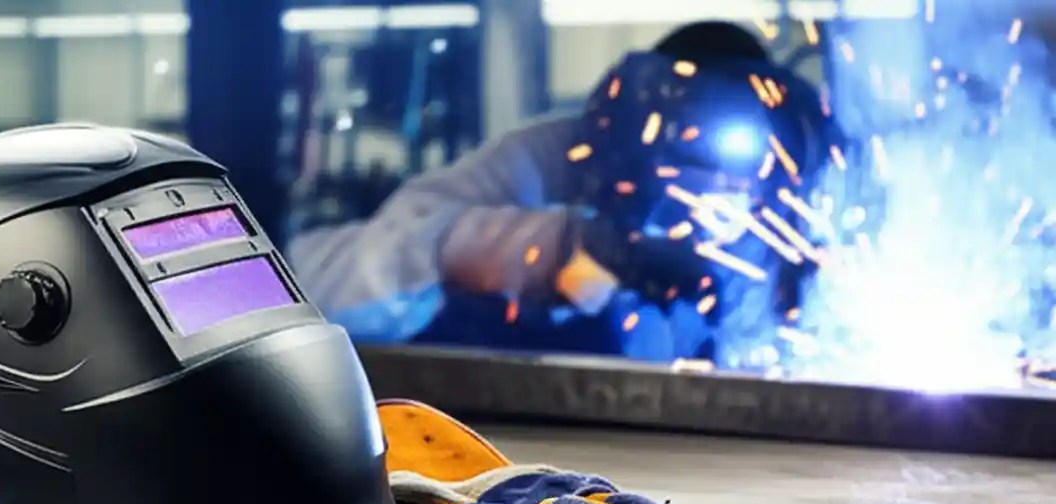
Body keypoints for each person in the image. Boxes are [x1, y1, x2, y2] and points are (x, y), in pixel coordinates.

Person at [286, 22, 840, 367]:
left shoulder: (784, 212)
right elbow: (322, 280)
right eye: (686, 162)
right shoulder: (553, 158)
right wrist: (558, 249)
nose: (710, 191)